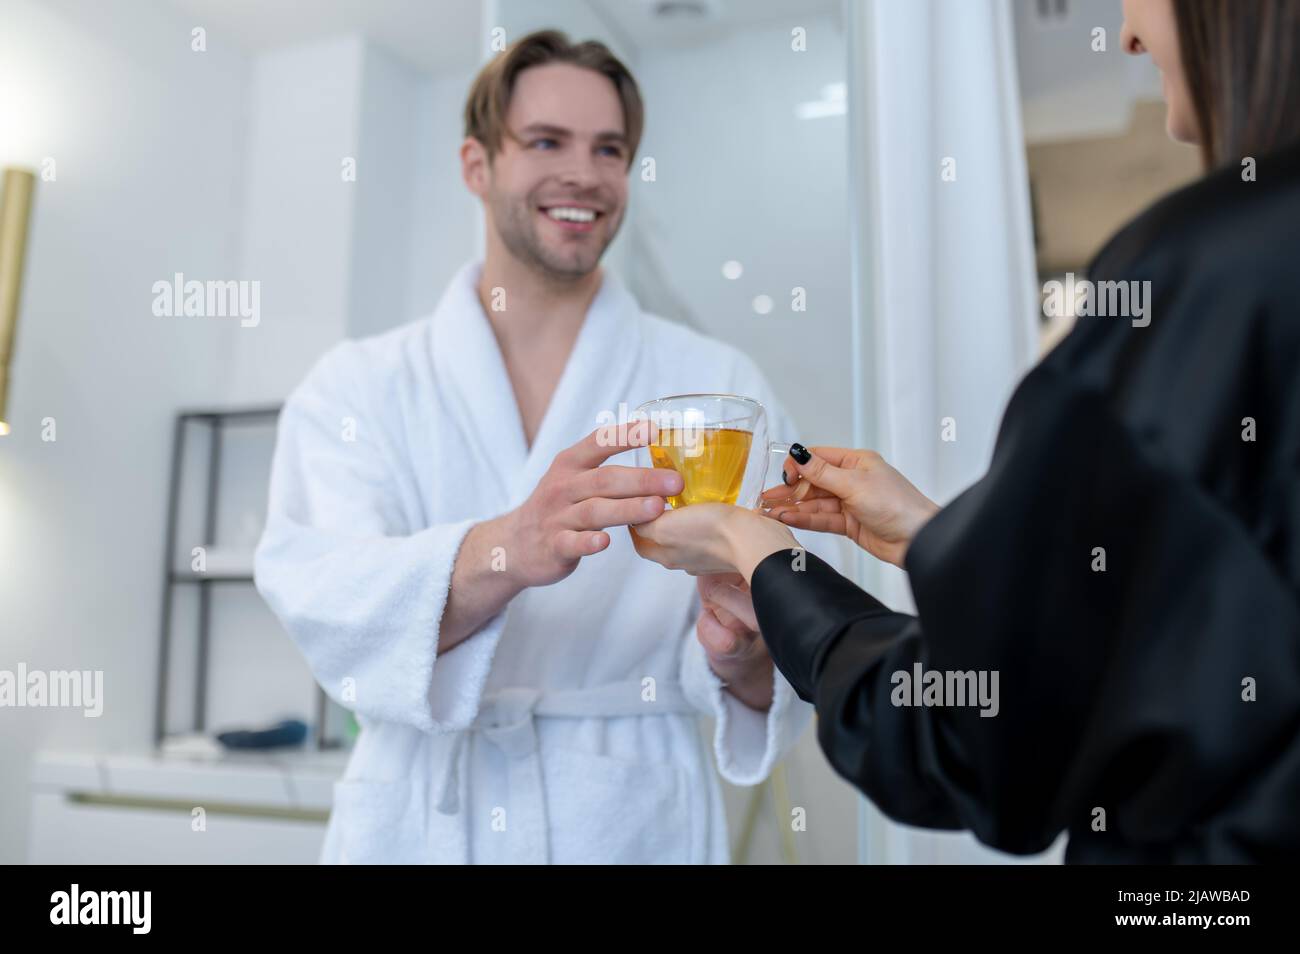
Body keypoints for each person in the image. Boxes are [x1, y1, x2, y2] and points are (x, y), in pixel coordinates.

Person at [632, 0, 1300, 863]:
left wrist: (751, 547)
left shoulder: (1201, 269)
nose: (1128, 35)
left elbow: (966, 732)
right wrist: (934, 534)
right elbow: (1194, 607)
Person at [254, 30, 836, 864]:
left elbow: (766, 656)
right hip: (423, 819)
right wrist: (505, 550)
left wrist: (743, 654)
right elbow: (325, 600)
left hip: (630, 821)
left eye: (610, 148)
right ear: (476, 165)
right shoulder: (359, 387)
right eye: (545, 142)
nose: (585, 173)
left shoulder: (714, 384)